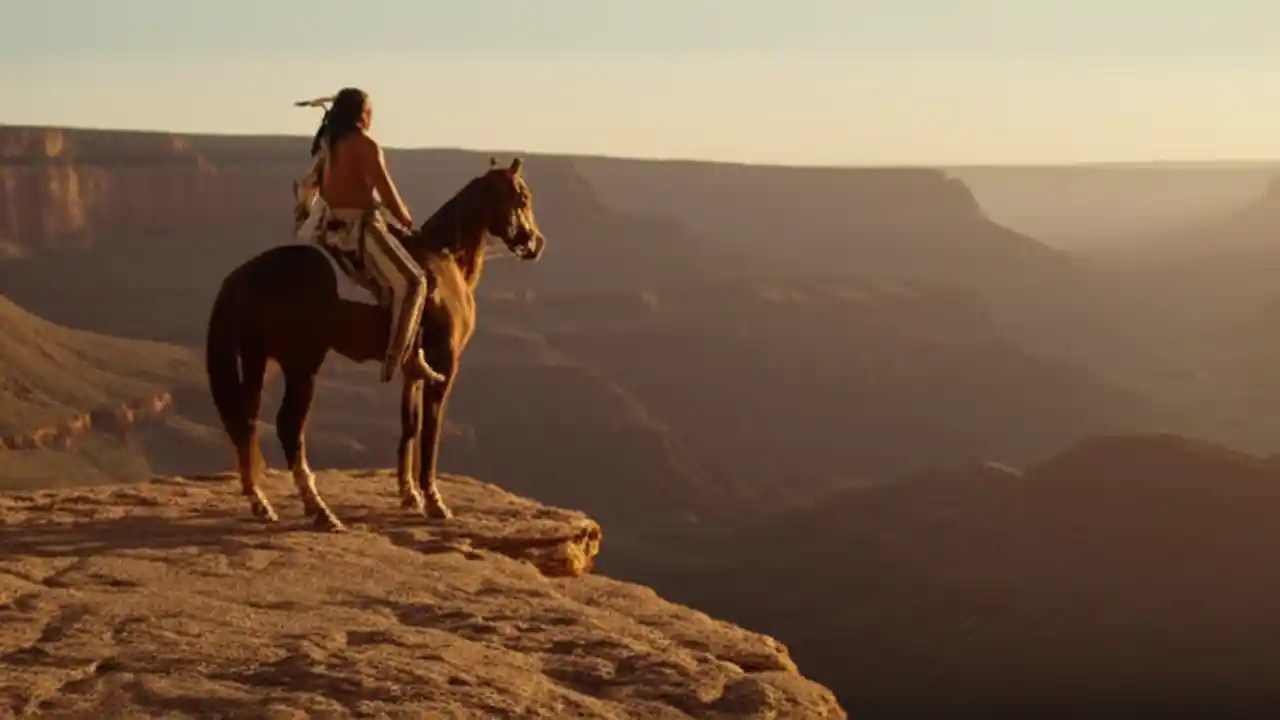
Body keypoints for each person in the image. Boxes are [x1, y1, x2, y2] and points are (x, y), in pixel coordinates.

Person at [292, 88, 441, 384]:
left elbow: (311, 186)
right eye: (369, 112)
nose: (372, 118)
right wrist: (406, 220)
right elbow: (388, 194)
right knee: (415, 283)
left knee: (389, 285)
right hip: (359, 228)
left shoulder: (330, 144)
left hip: (326, 228)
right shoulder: (366, 146)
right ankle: (399, 359)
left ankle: (414, 351)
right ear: (361, 115)